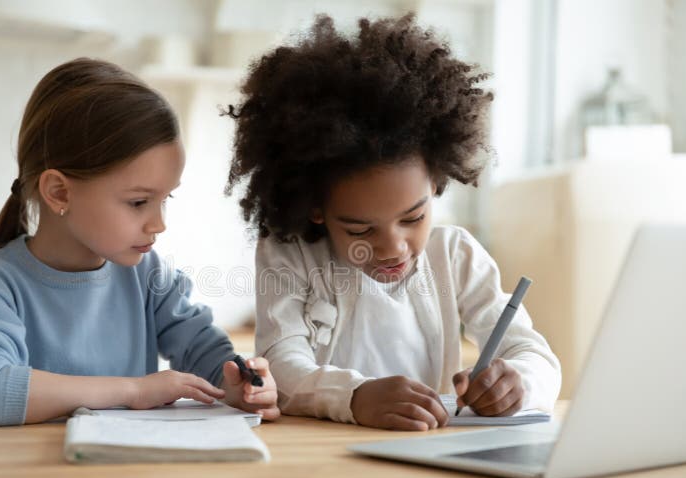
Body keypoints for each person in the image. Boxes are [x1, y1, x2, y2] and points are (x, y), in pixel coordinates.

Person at [224, 15, 561, 431]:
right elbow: (280, 365)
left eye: (413, 217)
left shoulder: (455, 255)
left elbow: (536, 357)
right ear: (315, 209)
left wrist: (519, 382)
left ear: (435, 181)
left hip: (428, 450)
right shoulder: (291, 255)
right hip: (323, 453)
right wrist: (354, 396)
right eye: (360, 230)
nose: (392, 248)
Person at [0, 58, 279, 427]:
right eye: (138, 202)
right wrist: (133, 390)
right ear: (59, 192)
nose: (159, 223)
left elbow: (207, 354)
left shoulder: (150, 276)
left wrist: (239, 387)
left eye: (165, 199)